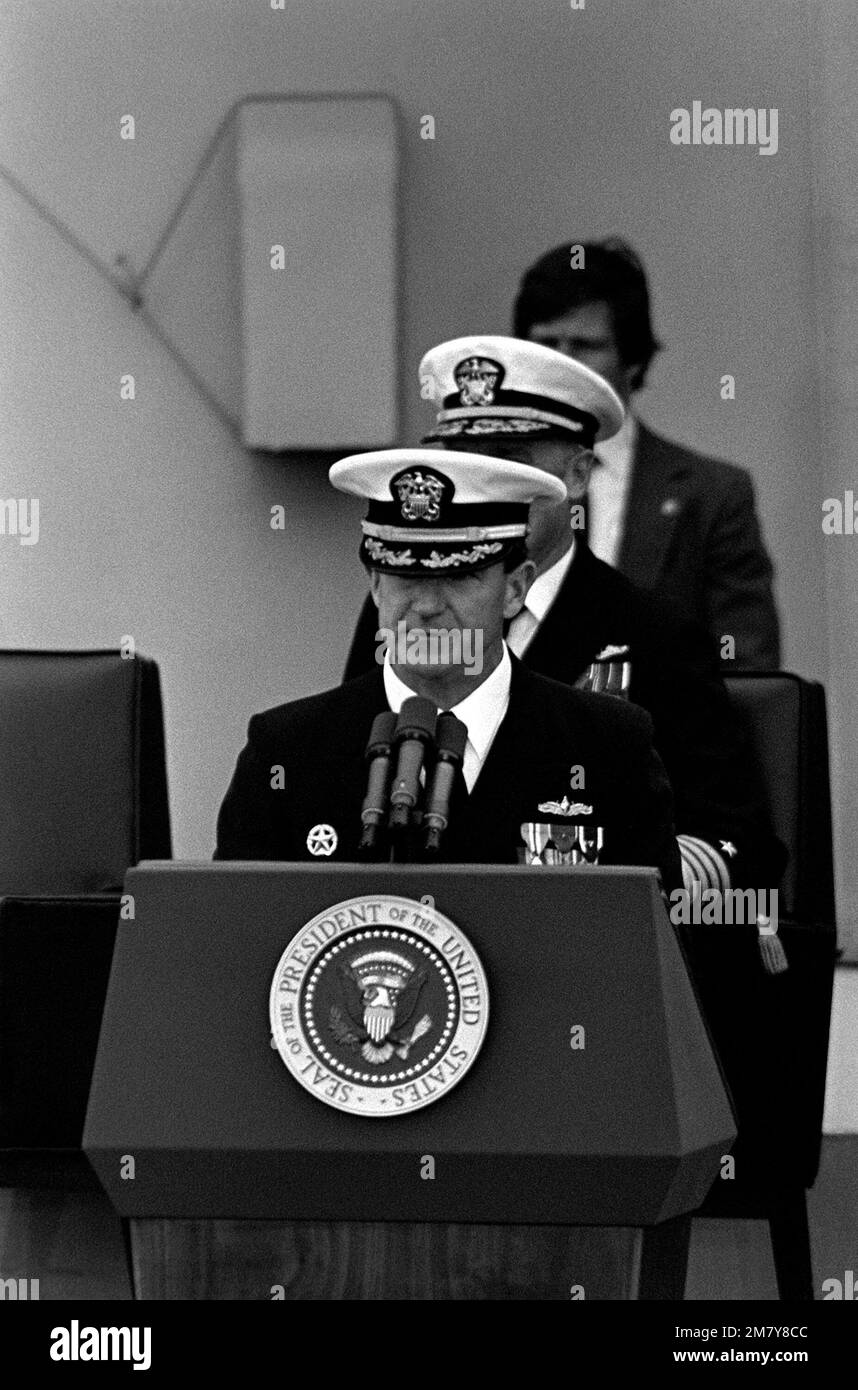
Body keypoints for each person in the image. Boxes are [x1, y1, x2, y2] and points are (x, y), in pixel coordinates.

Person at [343, 337, 786, 902]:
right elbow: (354, 769)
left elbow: (738, 843)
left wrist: (630, 876)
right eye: (463, 460)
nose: (485, 490)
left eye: (510, 462)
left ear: (578, 475)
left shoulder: (655, 635)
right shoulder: (404, 617)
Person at [216, 447, 682, 890]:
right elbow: (231, 945)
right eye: (405, 576)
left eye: (459, 577)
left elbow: (656, 952)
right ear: (376, 585)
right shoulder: (286, 753)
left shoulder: (609, 748)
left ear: (516, 589)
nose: (427, 605)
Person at [512, 238, 781, 670]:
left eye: (584, 346)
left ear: (632, 359)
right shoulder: (491, 482)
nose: (561, 364)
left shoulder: (713, 496)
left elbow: (748, 674)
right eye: (546, 343)